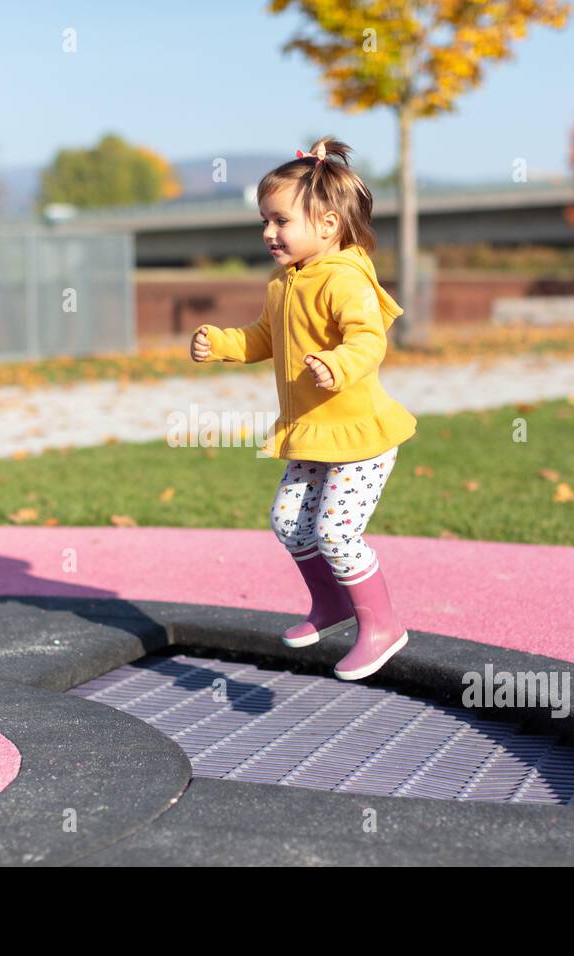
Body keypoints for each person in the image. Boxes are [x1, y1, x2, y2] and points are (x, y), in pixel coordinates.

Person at [190, 136, 418, 681]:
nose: (269, 233)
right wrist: (223, 343)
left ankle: (382, 626)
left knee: (337, 533)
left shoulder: (344, 277)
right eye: (264, 221)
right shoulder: (283, 284)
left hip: (359, 438)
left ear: (328, 224)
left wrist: (339, 364)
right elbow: (263, 339)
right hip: (314, 434)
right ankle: (332, 605)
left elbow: (369, 339)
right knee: (289, 522)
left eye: (280, 221)